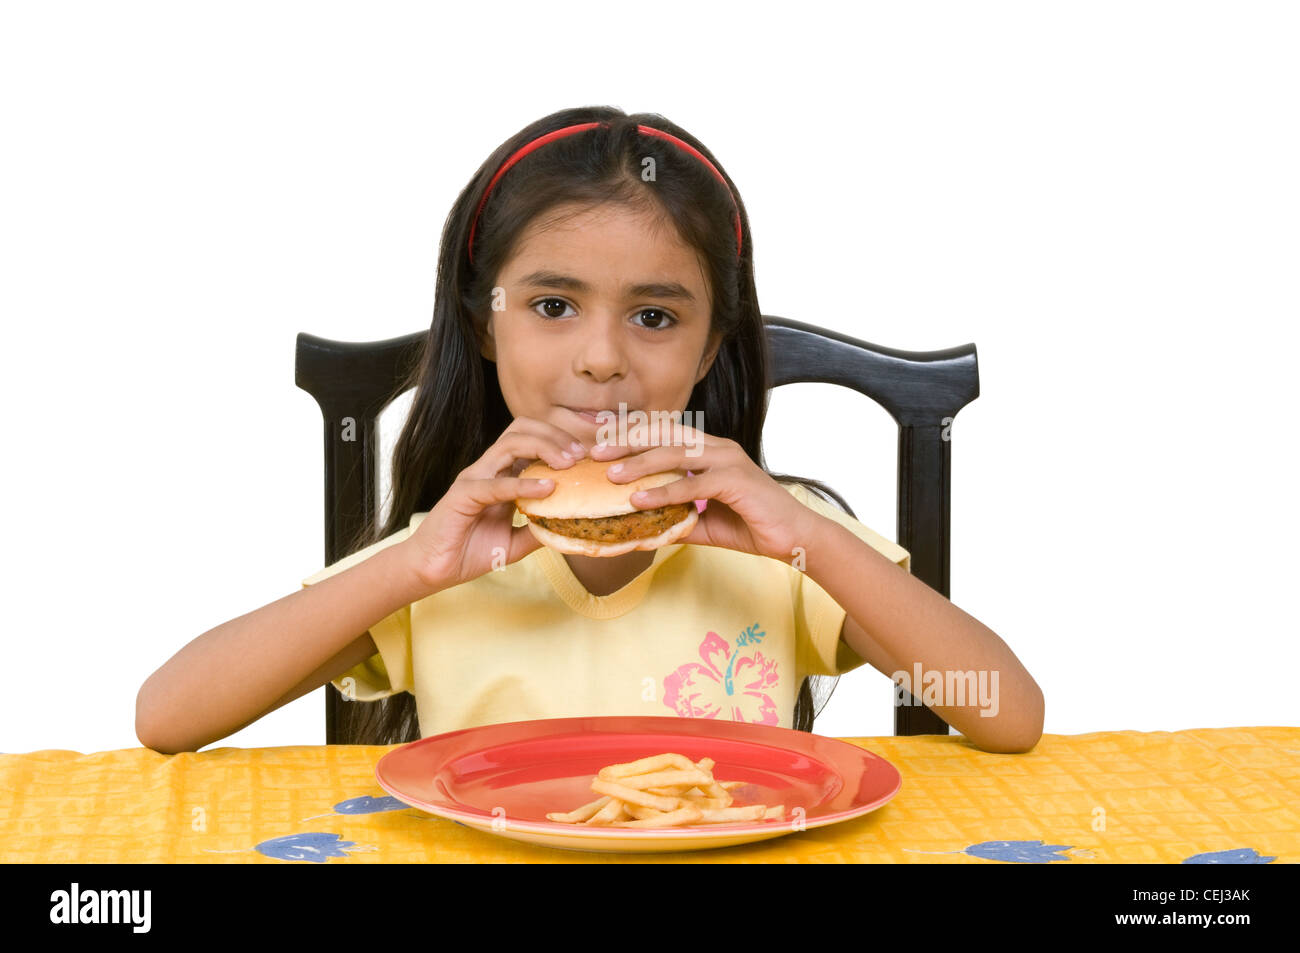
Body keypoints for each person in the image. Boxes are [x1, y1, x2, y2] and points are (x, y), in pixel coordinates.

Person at [136, 106, 1044, 756]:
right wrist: (407, 568)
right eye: (554, 304)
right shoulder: (449, 553)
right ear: (488, 323)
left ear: (709, 346)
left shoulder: (782, 541)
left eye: (654, 317)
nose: (602, 357)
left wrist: (806, 539)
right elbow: (167, 715)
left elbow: (1009, 712)